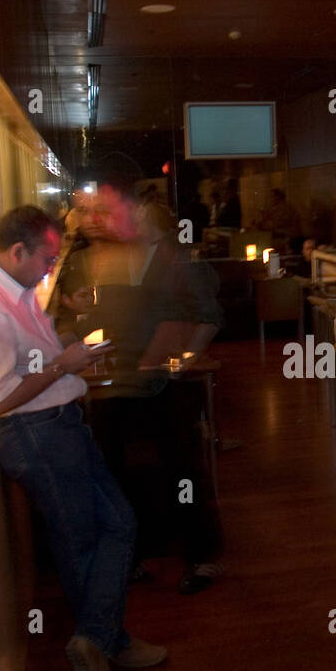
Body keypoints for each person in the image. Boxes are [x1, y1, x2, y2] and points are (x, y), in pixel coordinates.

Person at [0, 205, 167, 671]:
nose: (50, 268)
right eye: (46, 258)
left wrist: (72, 346)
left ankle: (102, 638)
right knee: (83, 541)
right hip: (34, 435)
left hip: (58, 426)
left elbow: (34, 356)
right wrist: (65, 364)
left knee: (120, 524)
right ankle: (102, 644)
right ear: (16, 250)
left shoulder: (14, 291)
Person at [71, 170, 227, 594]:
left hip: (163, 386)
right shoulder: (104, 259)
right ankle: (137, 553)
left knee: (180, 471)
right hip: (119, 386)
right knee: (118, 472)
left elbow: (209, 316)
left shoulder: (175, 259)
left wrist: (179, 361)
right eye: (90, 211)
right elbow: (108, 319)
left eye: (105, 210)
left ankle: (199, 555)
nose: (95, 220)